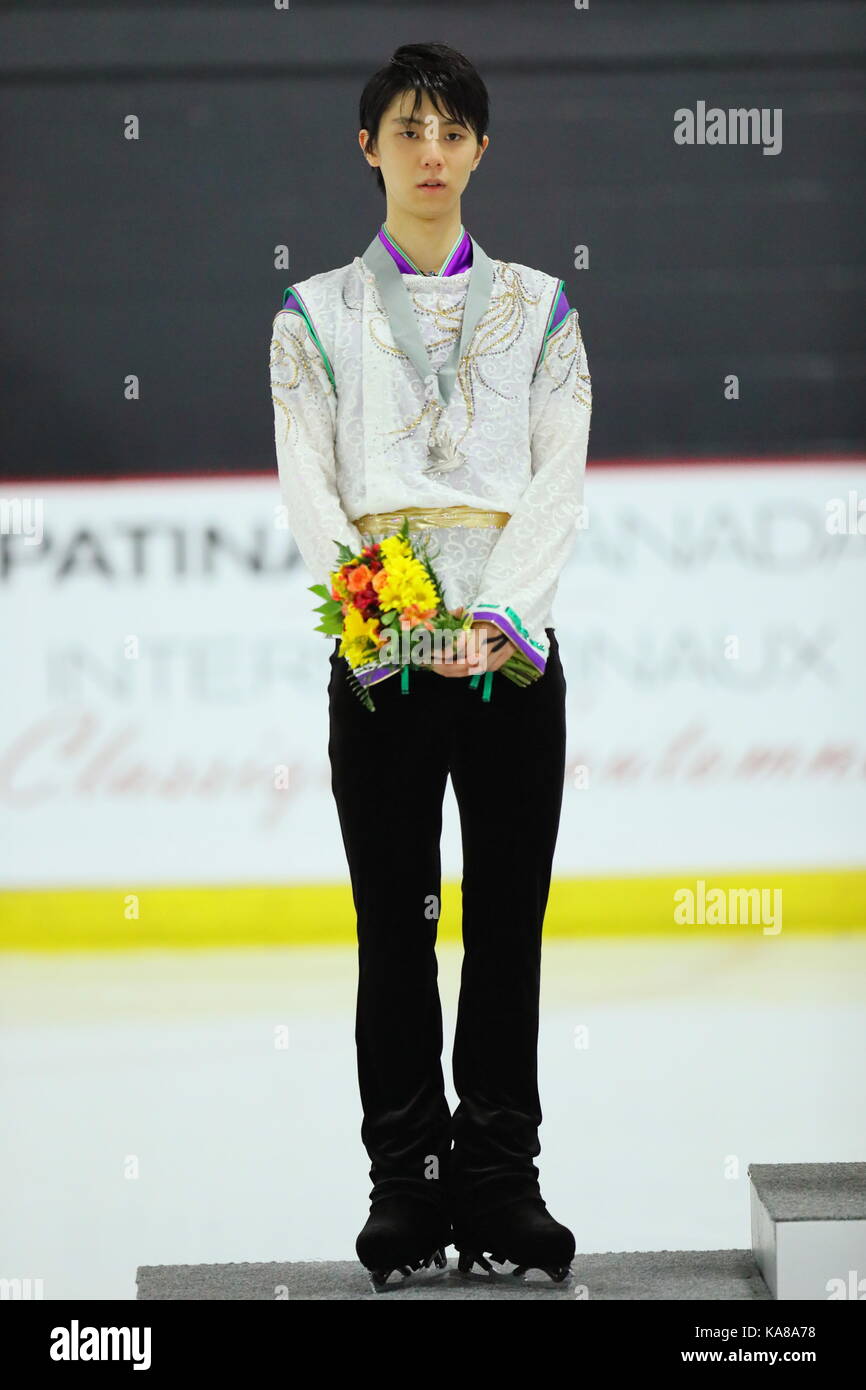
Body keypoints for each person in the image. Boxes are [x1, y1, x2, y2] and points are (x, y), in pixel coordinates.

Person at [269, 41, 592, 1289]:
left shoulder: (542, 305)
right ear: (368, 147)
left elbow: (557, 483)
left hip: (511, 665)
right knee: (394, 931)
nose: (430, 152)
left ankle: (500, 1184)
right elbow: (311, 485)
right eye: (407, 130)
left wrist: (497, 619)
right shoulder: (313, 315)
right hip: (383, 662)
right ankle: (402, 1187)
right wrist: (389, 616)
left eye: (452, 131)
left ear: (480, 150)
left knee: (506, 927)